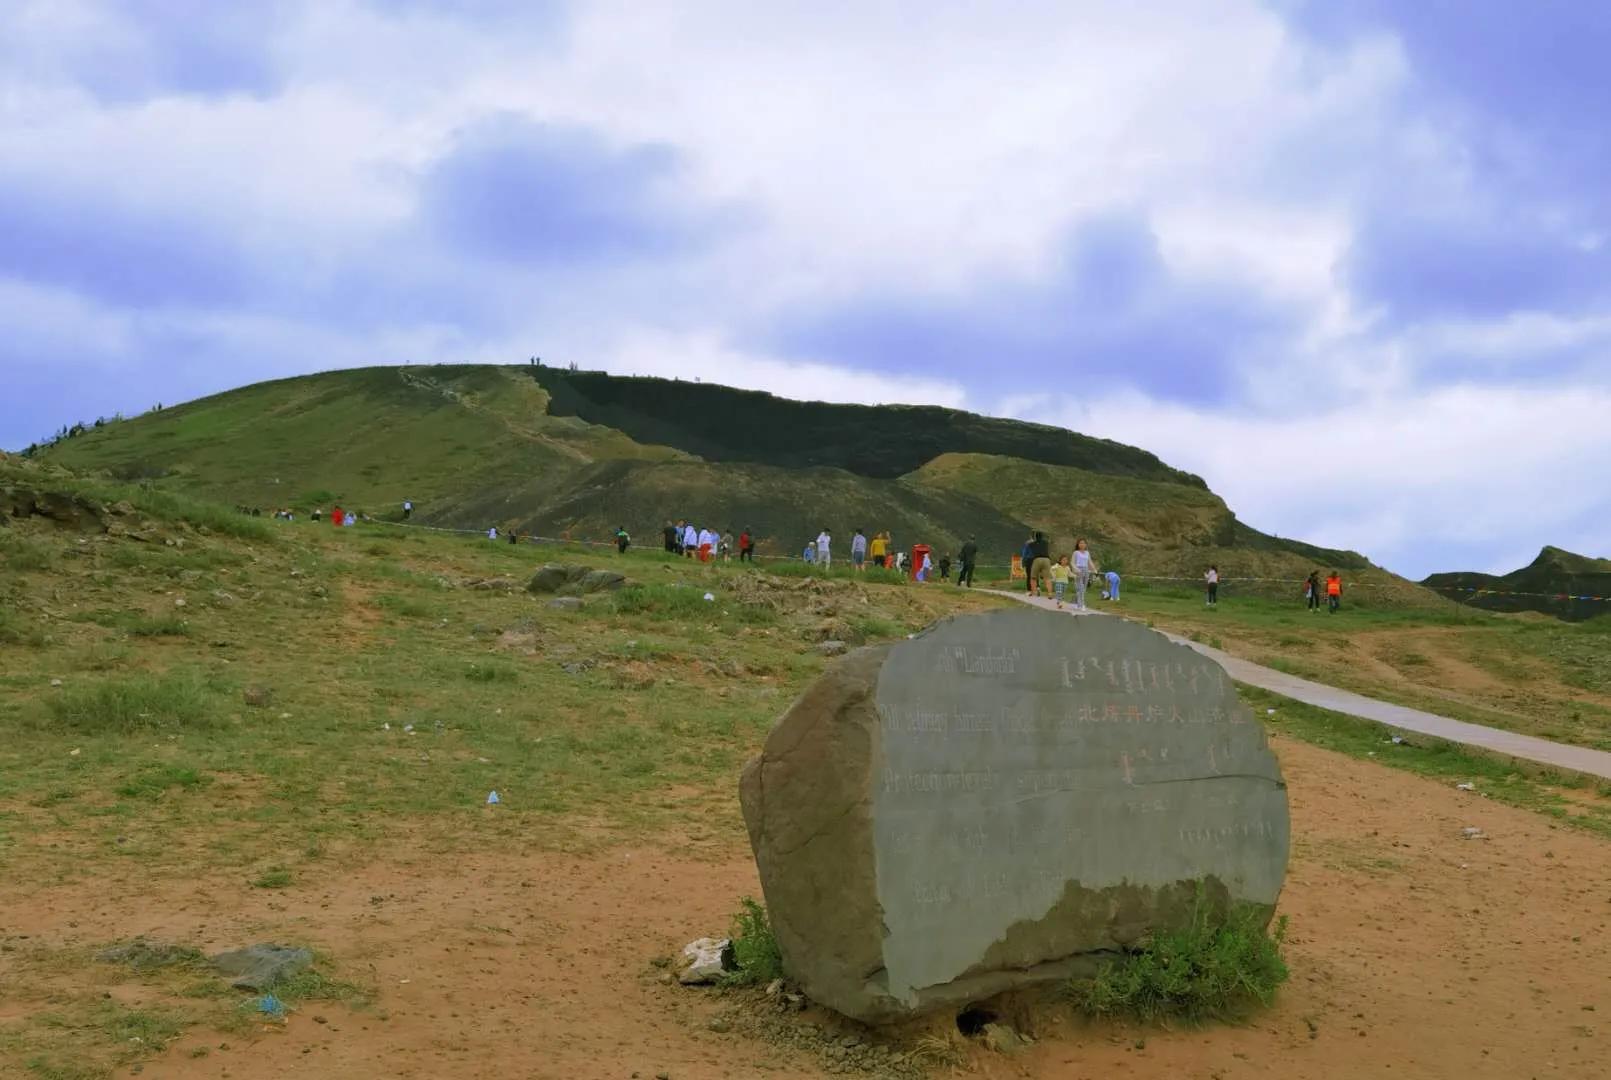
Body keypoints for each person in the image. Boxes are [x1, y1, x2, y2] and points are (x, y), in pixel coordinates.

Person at [1027, 531, 1051, 598]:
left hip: (1037, 559)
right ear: (1042, 536)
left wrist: (1032, 539)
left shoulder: (1031, 544)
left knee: (1033, 578)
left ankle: (1033, 592)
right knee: (1047, 578)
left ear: (1035, 537)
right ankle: (1049, 593)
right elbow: (1048, 539)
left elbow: (1029, 543)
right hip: (1047, 560)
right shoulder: (1046, 543)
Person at [1072, 538, 1093, 610]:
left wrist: (1094, 569)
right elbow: (1072, 563)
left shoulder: (1087, 553)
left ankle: (1075, 602)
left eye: (1083, 543)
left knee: (1083, 588)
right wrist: (1076, 569)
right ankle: (1082, 605)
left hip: (1086, 570)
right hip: (1078, 570)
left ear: (1086, 544)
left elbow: (1090, 562)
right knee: (1080, 588)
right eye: (1080, 543)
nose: (1082, 544)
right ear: (1078, 544)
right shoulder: (1076, 552)